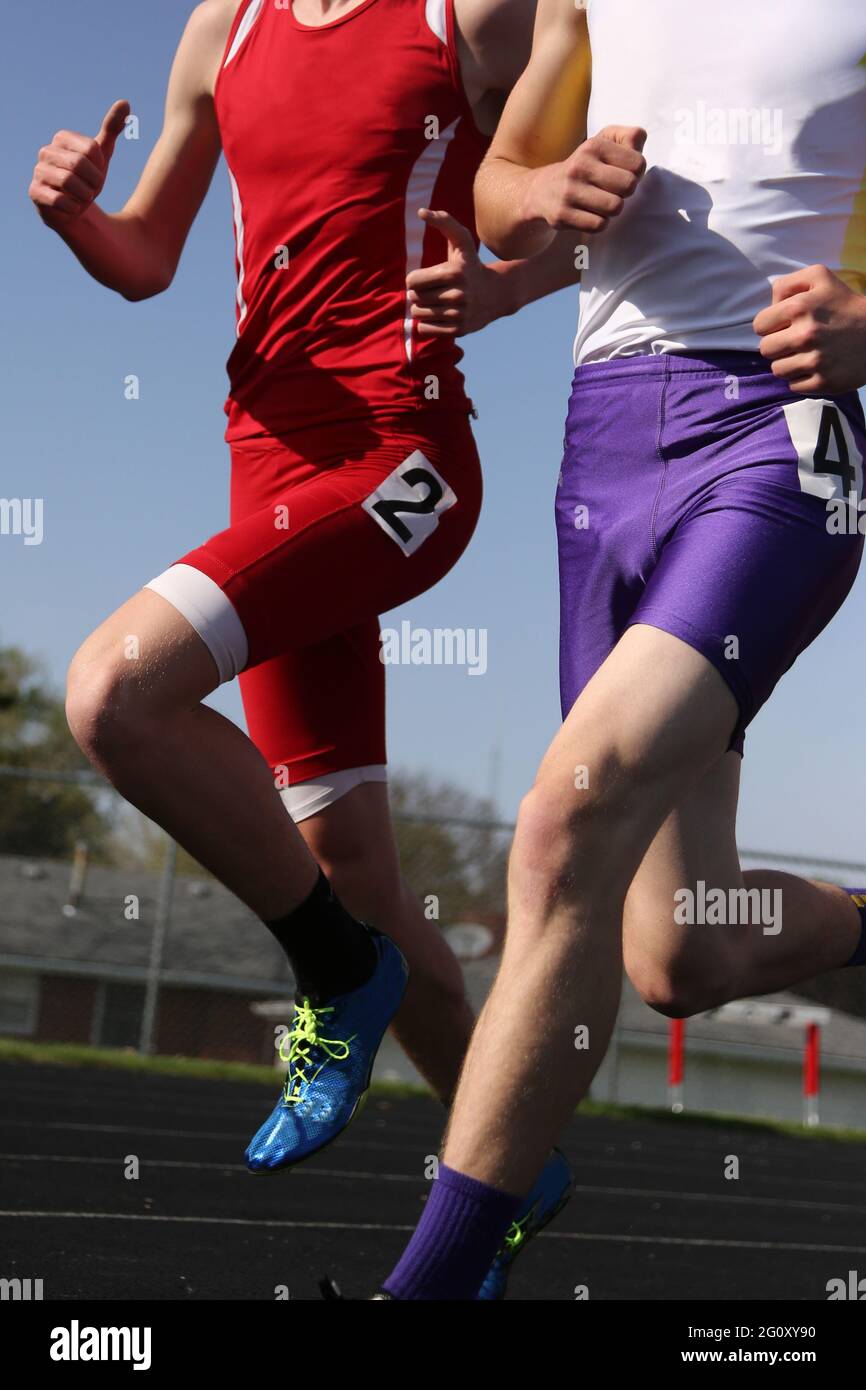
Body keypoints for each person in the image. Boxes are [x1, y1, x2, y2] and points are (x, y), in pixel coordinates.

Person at [29, 0, 638, 1297]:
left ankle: (333, 974)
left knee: (114, 694)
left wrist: (508, 282)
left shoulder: (465, 16)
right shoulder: (223, 29)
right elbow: (146, 258)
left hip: (396, 450)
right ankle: (509, 1160)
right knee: (351, 864)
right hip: (268, 468)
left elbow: (623, 194)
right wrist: (77, 215)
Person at [375, 0, 866, 1300]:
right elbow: (497, 186)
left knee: (559, 820)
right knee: (676, 950)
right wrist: (545, 191)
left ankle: (433, 1284)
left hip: (781, 436)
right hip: (601, 451)